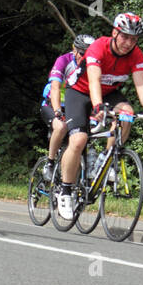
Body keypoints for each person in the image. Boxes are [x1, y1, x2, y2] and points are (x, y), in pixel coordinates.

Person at [56, 12, 143, 221]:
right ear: (115, 32)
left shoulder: (136, 55)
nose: (128, 43)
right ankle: (66, 190)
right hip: (80, 91)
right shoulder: (98, 47)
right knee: (78, 140)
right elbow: (94, 80)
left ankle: (107, 156)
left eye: (133, 39)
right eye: (124, 36)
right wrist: (97, 107)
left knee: (128, 113)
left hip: (109, 93)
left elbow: (141, 85)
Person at [40, 34, 95, 179]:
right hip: (53, 104)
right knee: (61, 127)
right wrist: (57, 110)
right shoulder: (63, 61)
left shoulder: (92, 65)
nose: (85, 58)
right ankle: (50, 162)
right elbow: (55, 87)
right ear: (74, 50)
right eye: (82, 54)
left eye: (89, 54)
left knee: (89, 133)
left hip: (75, 107)